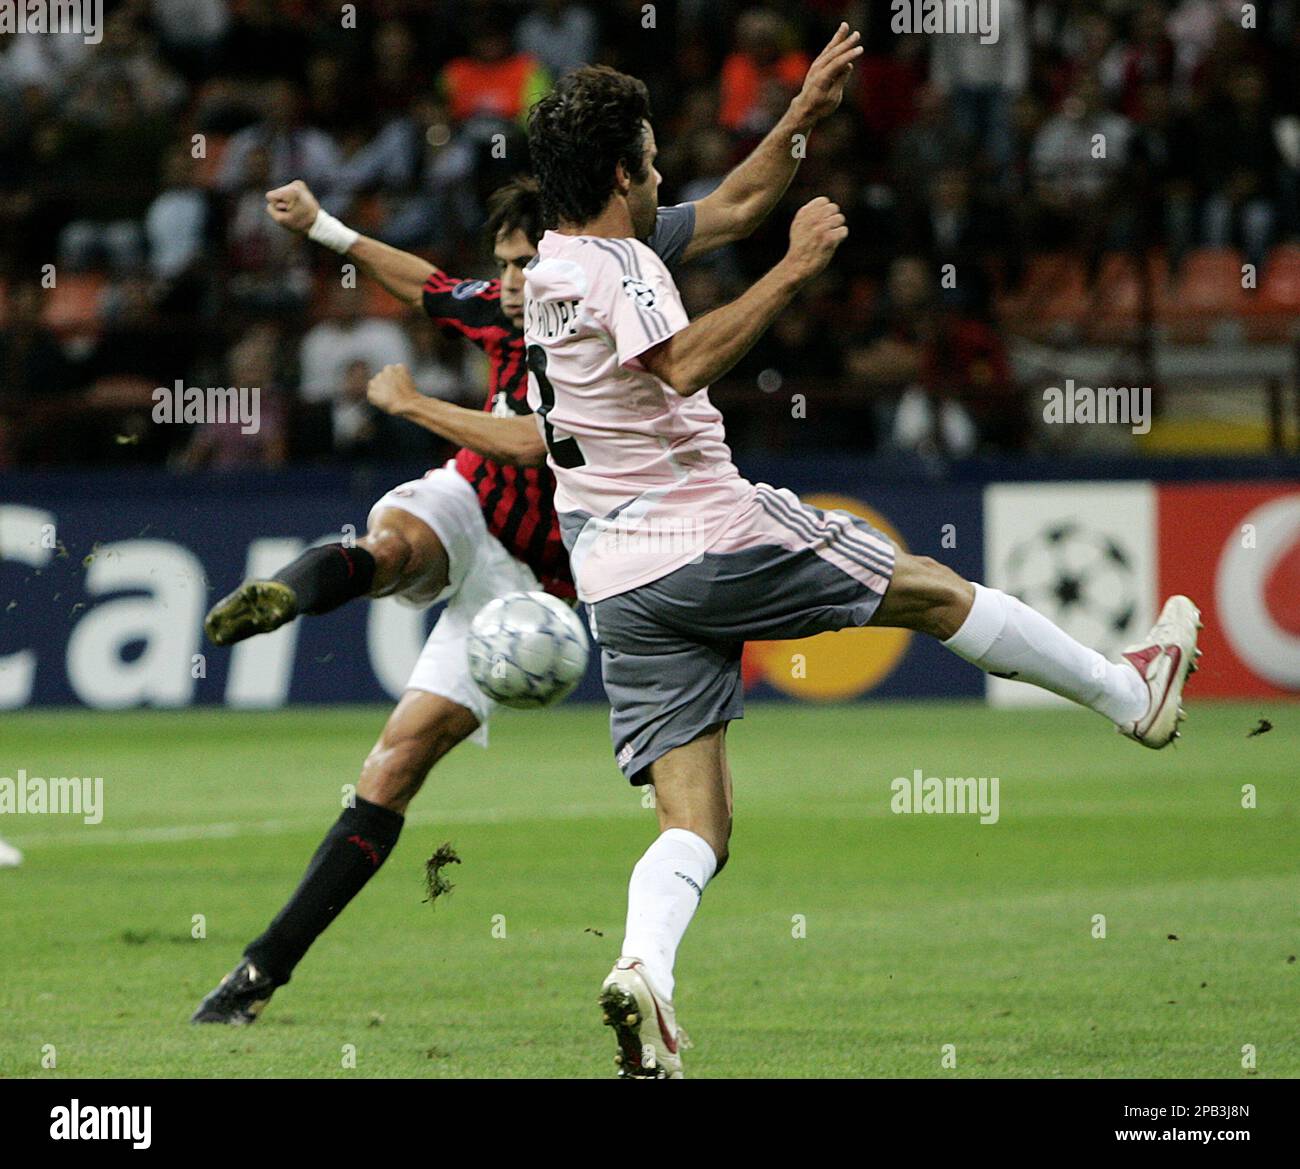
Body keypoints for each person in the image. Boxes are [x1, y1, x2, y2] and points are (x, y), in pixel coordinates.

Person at [521, 43, 1201, 1078]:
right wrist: (798, 269)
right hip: (706, 530)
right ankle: (1127, 692)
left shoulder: (552, 262)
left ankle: (642, 973)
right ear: (620, 174)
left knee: (694, 820)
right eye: (651, 159)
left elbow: (740, 201)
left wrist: (801, 114)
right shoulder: (622, 267)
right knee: (929, 588)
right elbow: (684, 360)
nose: (663, 174)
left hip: (615, 576)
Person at [191, 23, 863, 1024]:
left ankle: (256, 971)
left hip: (540, 569)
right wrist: (328, 230)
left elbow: (540, 431)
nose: (511, 280)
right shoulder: (502, 301)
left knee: (396, 761)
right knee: (395, 545)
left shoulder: (610, 275)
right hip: (470, 505)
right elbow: (420, 280)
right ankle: (294, 588)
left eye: (520, 261)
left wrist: (417, 405)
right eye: (502, 264)